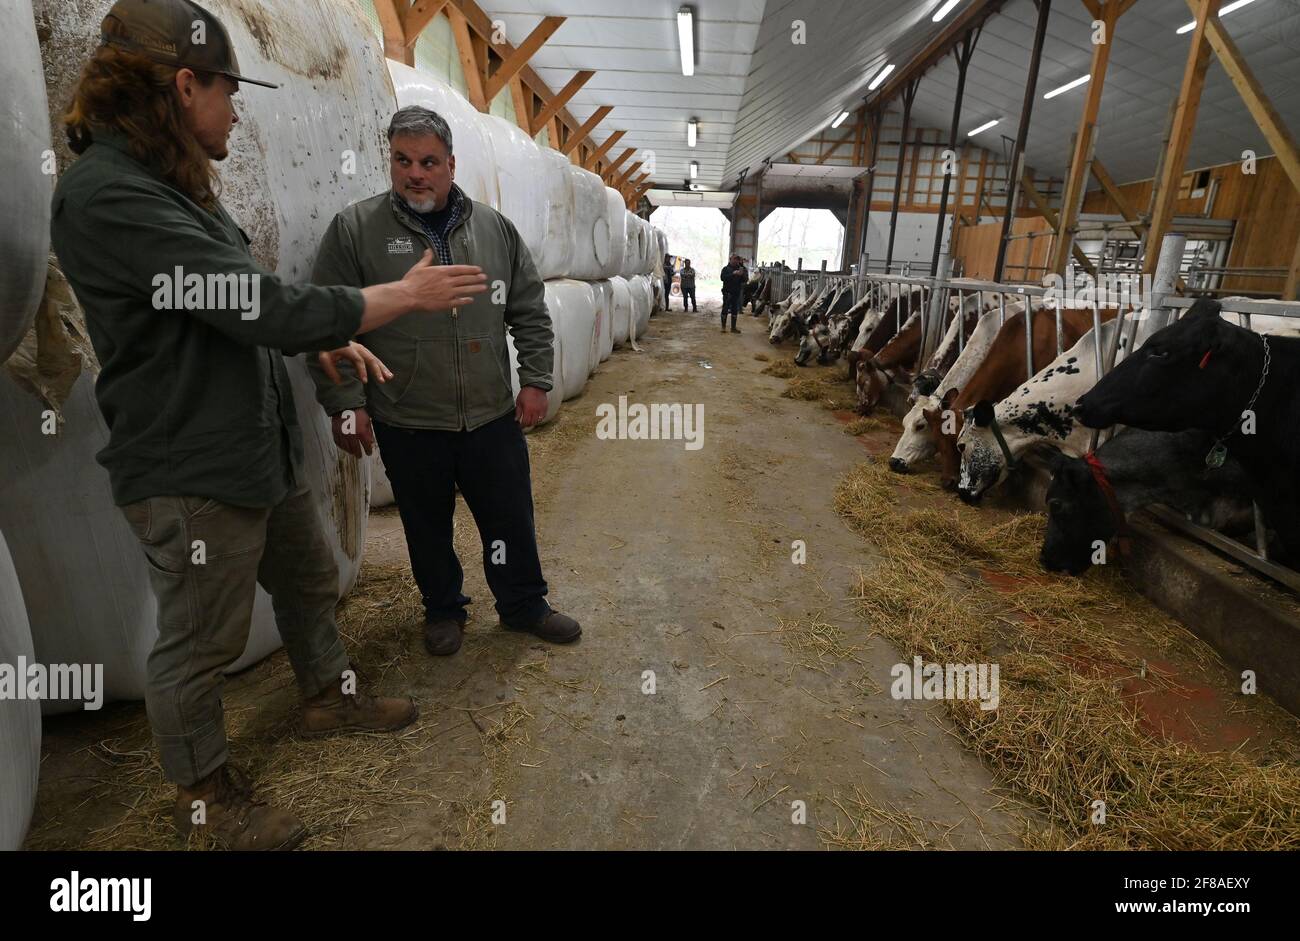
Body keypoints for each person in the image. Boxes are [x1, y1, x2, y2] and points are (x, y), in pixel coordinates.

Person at [47, 0, 489, 850]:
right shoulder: (108, 198)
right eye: (224, 91)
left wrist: (325, 343)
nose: (235, 108)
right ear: (183, 86)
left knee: (308, 572)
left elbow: (224, 310)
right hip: (190, 458)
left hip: (251, 436)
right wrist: (390, 299)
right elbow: (248, 300)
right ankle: (207, 800)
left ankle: (327, 692)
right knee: (198, 639)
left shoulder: (169, 185)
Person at [308, 106, 582, 660]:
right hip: (406, 416)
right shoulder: (356, 231)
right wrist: (345, 403)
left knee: (507, 517)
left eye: (429, 161)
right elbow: (328, 326)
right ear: (390, 162)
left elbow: (528, 310)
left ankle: (523, 604)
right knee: (425, 524)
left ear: (451, 164)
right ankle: (443, 609)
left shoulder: (493, 230)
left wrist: (534, 380)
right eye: (402, 160)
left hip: (488, 413)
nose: (416, 173)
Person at [720, 254, 749, 333]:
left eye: (737, 259)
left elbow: (745, 280)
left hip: (736, 292)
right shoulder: (726, 269)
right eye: (734, 259)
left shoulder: (741, 269)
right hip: (727, 292)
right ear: (730, 259)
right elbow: (722, 278)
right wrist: (733, 274)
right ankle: (723, 327)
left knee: (734, 310)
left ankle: (733, 328)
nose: (736, 260)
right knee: (725, 309)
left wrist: (742, 273)